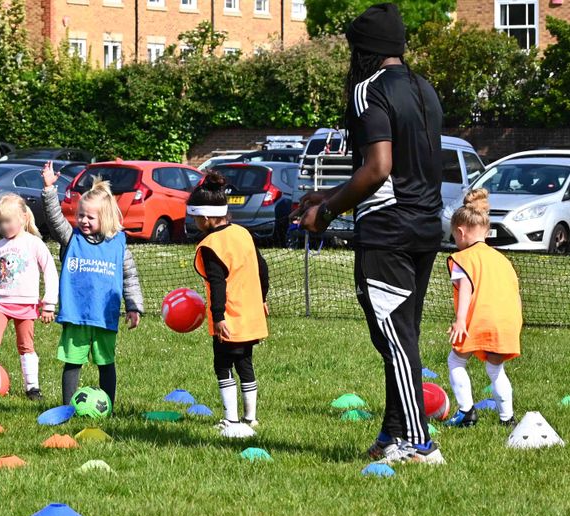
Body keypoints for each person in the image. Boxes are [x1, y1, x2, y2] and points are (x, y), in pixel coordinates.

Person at [293, 3, 445, 464]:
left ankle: (419, 444)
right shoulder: (425, 90)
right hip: (424, 227)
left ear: (364, 51)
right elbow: (394, 170)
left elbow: (378, 169)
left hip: (388, 231)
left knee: (395, 339)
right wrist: (325, 194)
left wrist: (326, 213)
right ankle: (391, 435)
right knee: (402, 336)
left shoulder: (367, 91)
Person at [41, 161, 143, 408]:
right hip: (76, 315)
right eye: (80, 215)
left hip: (104, 317)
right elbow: (55, 220)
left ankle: (106, 406)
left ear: (105, 217)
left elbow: (130, 278)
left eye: (90, 216)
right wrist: (48, 190)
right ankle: (68, 407)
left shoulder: (118, 246)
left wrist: (134, 306)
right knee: (73, 362)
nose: (83, 220)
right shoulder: (72, 238)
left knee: (106, 363)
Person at [188, 172, 270, 438]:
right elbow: (262, 269)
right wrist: (263, 299)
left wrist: (219, 316)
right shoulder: (243, 233)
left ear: (207, 218)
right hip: (251, 315)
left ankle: (231, 420)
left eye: (196, 218)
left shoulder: (212, 243)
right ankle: (251, 418)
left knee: (222, 365)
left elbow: (218, 284)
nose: (195, 223)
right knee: (245, 363)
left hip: (230, 317)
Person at [0, 194, 59, 400]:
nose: (4, 226)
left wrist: (49, 303)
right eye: (0, 222)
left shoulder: (34, 244)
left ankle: (32, 388)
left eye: (8, 221)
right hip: (0, 303)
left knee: (26, 346)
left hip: (27, 304)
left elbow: (50, 271)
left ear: (23, 218)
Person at [444, 189, 522, 427]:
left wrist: (460, 320)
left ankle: (466, 412)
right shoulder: (502, 260)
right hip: (508, 322)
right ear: (487, 232)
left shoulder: (463, 258)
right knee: (495, 368)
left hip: (479, 319)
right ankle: (507, 418)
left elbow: (466, 287)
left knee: (456, 362)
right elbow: (515, 294)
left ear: (460, 232)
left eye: (454, 237)